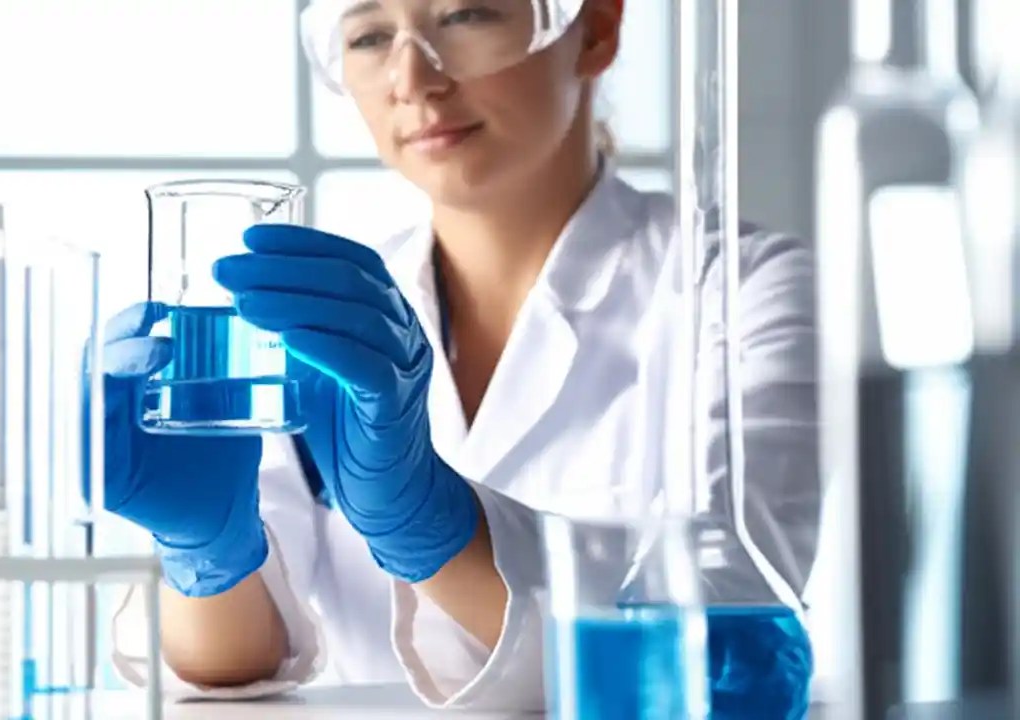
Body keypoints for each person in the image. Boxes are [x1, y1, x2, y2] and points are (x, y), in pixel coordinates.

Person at [95, 0, 820, 715]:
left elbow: (734, 641)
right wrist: (205, 550)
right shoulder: (326, 324)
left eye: (467, 16)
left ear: (595, 30)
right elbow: (238, 663)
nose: (412, 78)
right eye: (371, 35)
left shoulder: (747, 288)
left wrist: (431, 526)